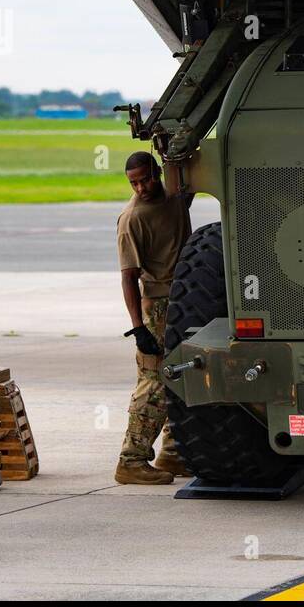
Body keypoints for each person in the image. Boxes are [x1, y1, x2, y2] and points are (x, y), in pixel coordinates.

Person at [115, 151, 192, 484]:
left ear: (157, 173)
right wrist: (138, 328)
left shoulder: (175, 196)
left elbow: (185, 164)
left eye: (145, 179)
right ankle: (131, 460)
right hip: (157, 305)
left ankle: (173, 455)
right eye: (134, 183)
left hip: (185, 300)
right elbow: (128, 277)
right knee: (155, 382)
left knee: (185, 377)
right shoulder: (131, 218)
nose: (141, 188)